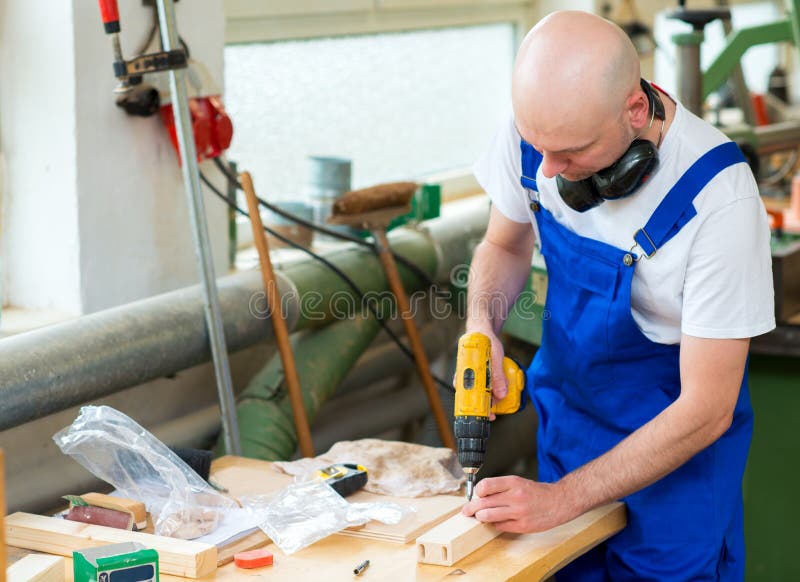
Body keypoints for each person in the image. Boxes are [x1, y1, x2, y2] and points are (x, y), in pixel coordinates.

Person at [461, 10, 775, 581]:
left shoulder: (718, 199)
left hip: (675, 465)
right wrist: (481, 324)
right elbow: (503, 245)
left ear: (636, 110)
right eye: (538, 147)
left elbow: (707, 410)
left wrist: (560, 502)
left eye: (572, 152)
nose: (550, 171)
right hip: (569, 432)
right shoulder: (540, 130)